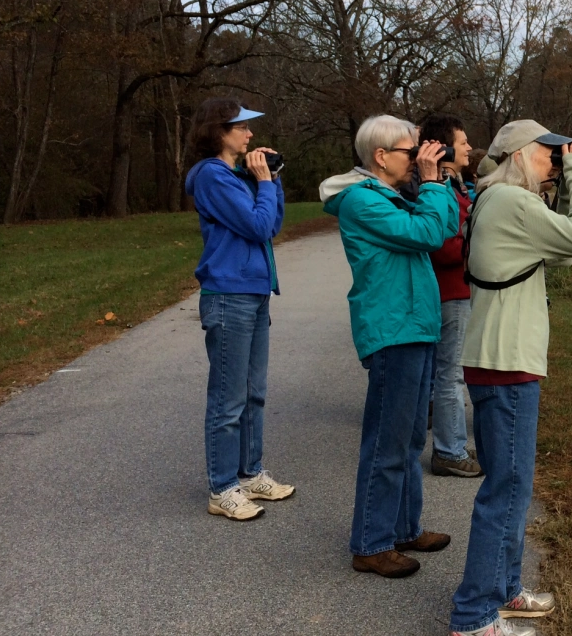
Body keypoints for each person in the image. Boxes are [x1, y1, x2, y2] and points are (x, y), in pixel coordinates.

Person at [449, 120, 572, 636]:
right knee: (507, 491)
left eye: (560, 156)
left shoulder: (498, 200)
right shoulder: (513, 202)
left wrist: (561, 186)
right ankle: (474, 616)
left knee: (510, 485)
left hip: (497, 359)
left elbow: (562, 252)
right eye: (547, 154)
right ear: (517, 156)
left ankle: (506, 588)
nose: (554, 161)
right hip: (506, 363)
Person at [320, 114, 459, 578]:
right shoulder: (362, 201)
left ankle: (403, 526)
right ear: (381, 157)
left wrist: (438, 184)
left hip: (416, 323)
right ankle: (371, 543)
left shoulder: (396, 196)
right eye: (410, 151)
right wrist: (435, 183)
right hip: (393, 328)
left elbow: (447, 228)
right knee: (387, 440)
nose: (419, 159)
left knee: (411, 436)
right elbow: (429, 234)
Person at [184, 98, 294, 521]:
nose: (250, 135)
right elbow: (258, 226)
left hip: (253, 291)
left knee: (254, 393)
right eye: (241, 127)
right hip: (228, 294)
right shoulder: (212, 176)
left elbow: (273, 223)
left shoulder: (236, 175)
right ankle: (222, 487)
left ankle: (249, 474)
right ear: (219, 131)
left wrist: (271, 180)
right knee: (228, 399)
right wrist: (262, 184)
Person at [419, 115, 482, 478]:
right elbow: (442, 249)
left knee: (451, 373)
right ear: (444, 149)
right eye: (463, 142)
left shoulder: (453, 185)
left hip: (458, 290)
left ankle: (453, 441)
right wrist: (476, 243)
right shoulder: (439, 189)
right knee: (451, 376)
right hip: (450, 292)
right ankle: (449, 450)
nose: (469, 148)